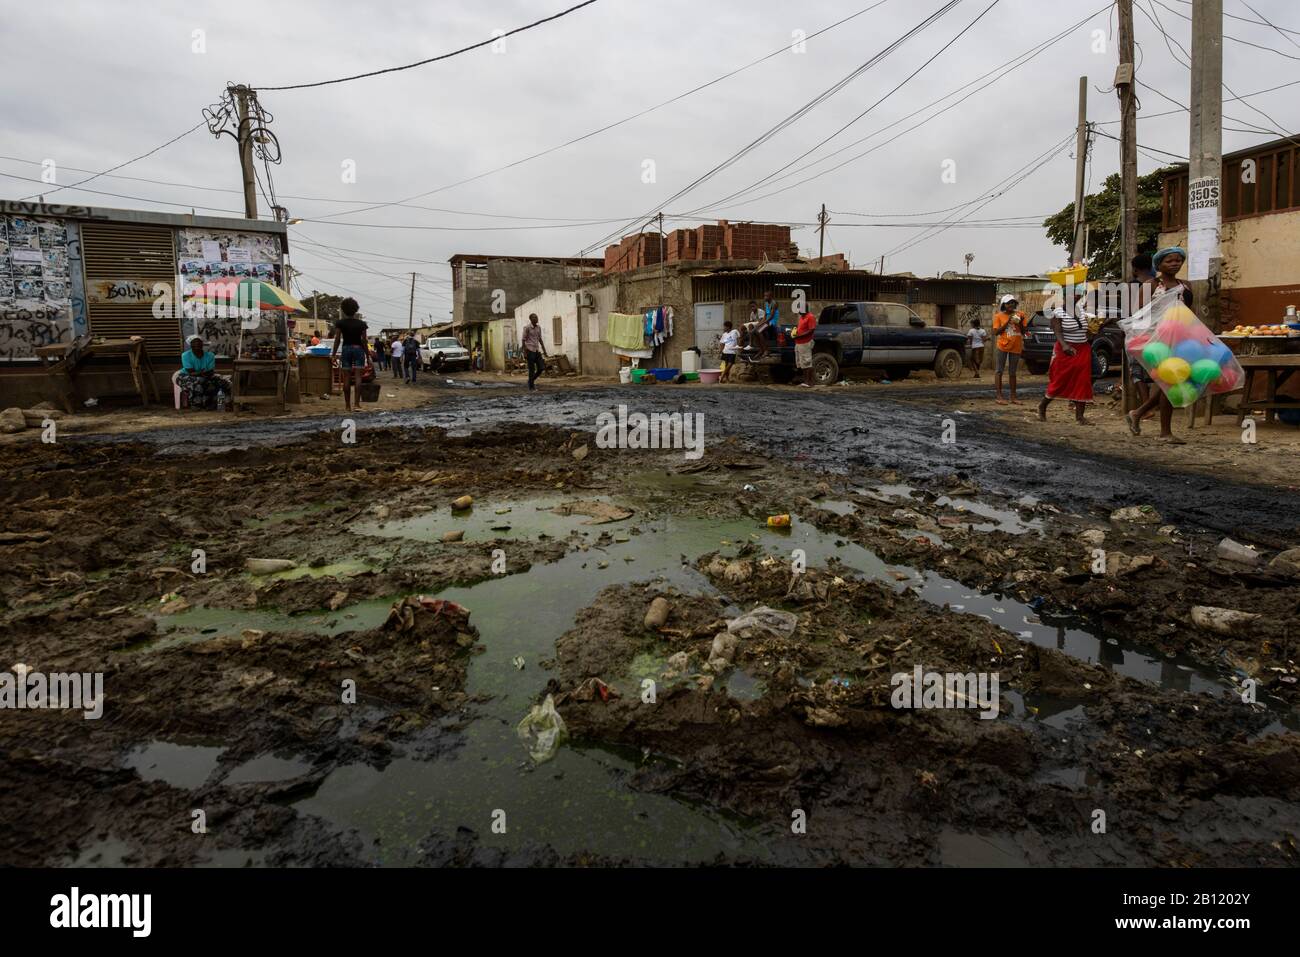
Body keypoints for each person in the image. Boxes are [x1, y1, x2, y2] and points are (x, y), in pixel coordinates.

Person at [1126, 247, 1193, 443]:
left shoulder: (1186, 286)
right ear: (1159, 265)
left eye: (1178, 260)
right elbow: (1139, 316)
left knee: (1169, 383)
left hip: (1179, 340)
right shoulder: (1151, 285)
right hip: (1157, 342)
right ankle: (1164, 432)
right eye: (1169, 261)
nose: (1174, 264)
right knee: (1168, 382)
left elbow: (1190, 314)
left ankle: (1138, 413)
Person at [1037, 303, 1093, 424]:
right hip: (1065, 349)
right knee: (1060, 380)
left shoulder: (1082, 311)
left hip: (1083, 349)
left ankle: (1080, 417)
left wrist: (1093, 329)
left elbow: (1086, 332)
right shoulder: (1058, 312)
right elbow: (1057, 331)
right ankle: (1042, 406)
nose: (1076, 297)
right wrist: (1065, 346)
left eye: (1077, 294)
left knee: (1082, 381)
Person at [1127, 253, 1155, 410]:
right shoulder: (1157, 285)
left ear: (1135, 269)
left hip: (1136, 332)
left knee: (1136, 372)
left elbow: (1127, 313)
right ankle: (1151, 404)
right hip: (1155, 331)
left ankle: (1146, 406)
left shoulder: (1131, 287)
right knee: (1155, 368)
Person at [330, 298, 368, 413]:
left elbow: (337, 339)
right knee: (358, 378)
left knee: (346, 378)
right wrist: (368, 355)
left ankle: (347, 406)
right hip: (358, 350)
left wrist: (334, 354)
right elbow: (364, 341)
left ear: (344, 310)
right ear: (355, 309)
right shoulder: (362, 324)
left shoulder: (340, 323)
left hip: (346, 349)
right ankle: (357, 404)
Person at [178, 335, 232, 410]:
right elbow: (190, 372)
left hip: (205, 376)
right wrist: (202, 373)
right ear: (191, 345)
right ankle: (197, 405)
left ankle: (225, 403)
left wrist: (200, 373)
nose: (197, 344)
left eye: (199, 342)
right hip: (185, 376)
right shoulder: (185, 355)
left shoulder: (210, 355)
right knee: (200, 381)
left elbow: (210, 371)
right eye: (194, 343)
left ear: (202, 344)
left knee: (224, 382)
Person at [992, 295, 1028, 404]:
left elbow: (1024, 332)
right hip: (1002, 346)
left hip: (1016, 346)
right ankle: (999, 396)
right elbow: (996, 332)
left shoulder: (1021, 315)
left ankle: (1013, 397)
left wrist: (1020, 322)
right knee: (999, 371)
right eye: (1008, 303)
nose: (1011, 305)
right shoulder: (998, 316)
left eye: (1013, 302)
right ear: (1004, 305)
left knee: (1013, 372)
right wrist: (1007, 322)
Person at [793, 307, 818, 387]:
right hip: (799, 342)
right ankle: (806, 381)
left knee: (807, 362)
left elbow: (811, 330)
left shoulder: (810, 317)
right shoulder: (802, 317)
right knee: (802, 363)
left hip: (805, 342)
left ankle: (809, 382)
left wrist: (799, 336)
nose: (799, 311)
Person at [522, 312, 547, 390]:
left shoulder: (538, 327)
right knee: (531, 369)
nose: (536, 319)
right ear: (531, 319)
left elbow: (540, 339)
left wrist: (544, 350)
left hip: (536, 350)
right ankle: (531, 387)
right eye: (534, 317)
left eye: (537, 317)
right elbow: (523, 340)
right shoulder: (527, 328)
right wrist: (525, 352)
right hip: (529, 350)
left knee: (541, 367)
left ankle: (530, 381)